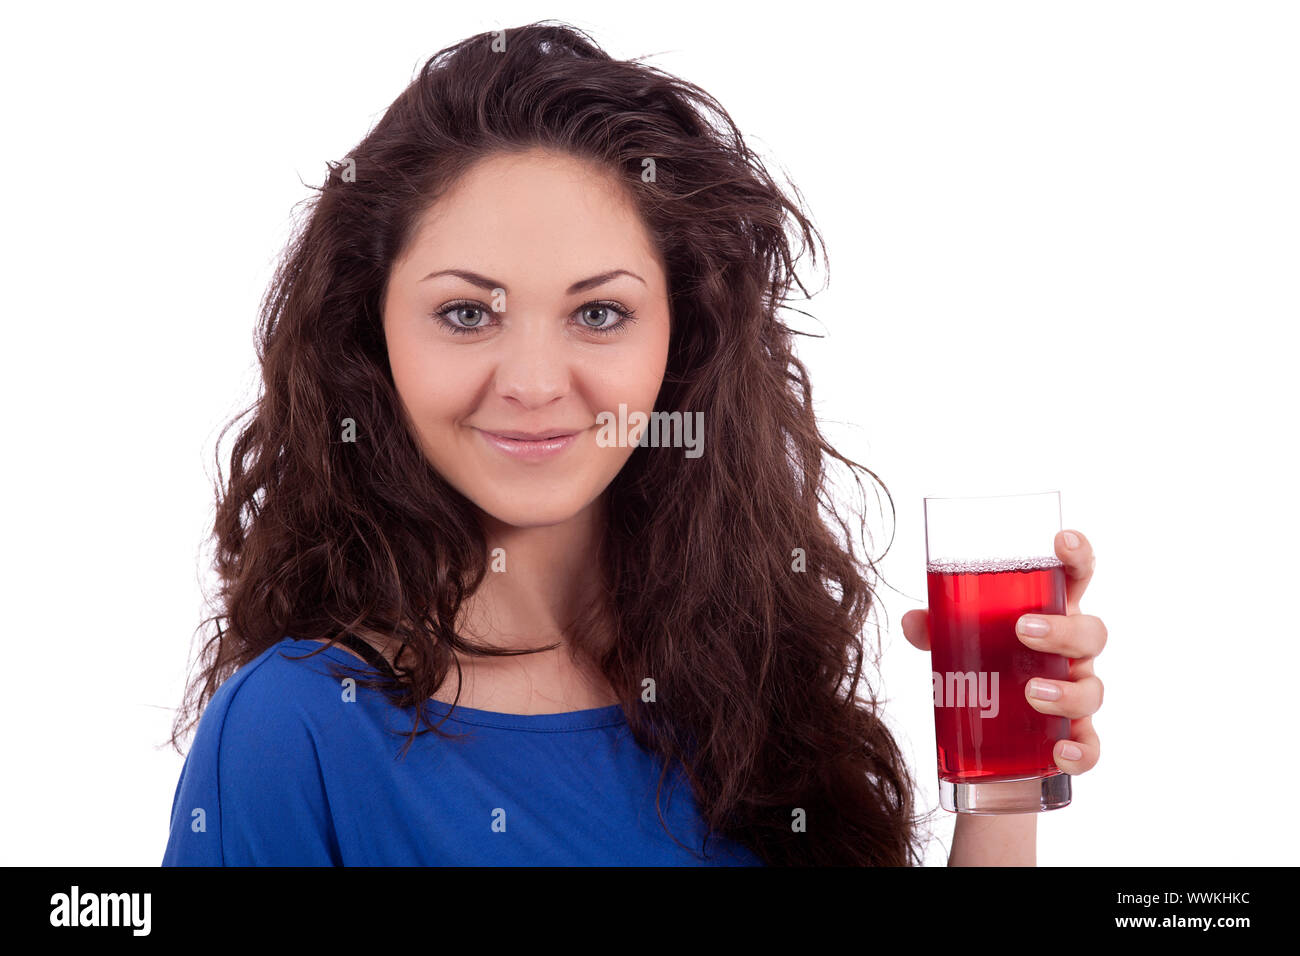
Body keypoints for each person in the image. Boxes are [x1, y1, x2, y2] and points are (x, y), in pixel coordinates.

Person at [162, 20, 1105, 867]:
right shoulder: (293, 732)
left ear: (680, 340)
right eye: (464, 312)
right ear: (372, 336)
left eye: (600, 312)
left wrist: (1004, 785)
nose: (533, 382)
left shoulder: (749, 679)